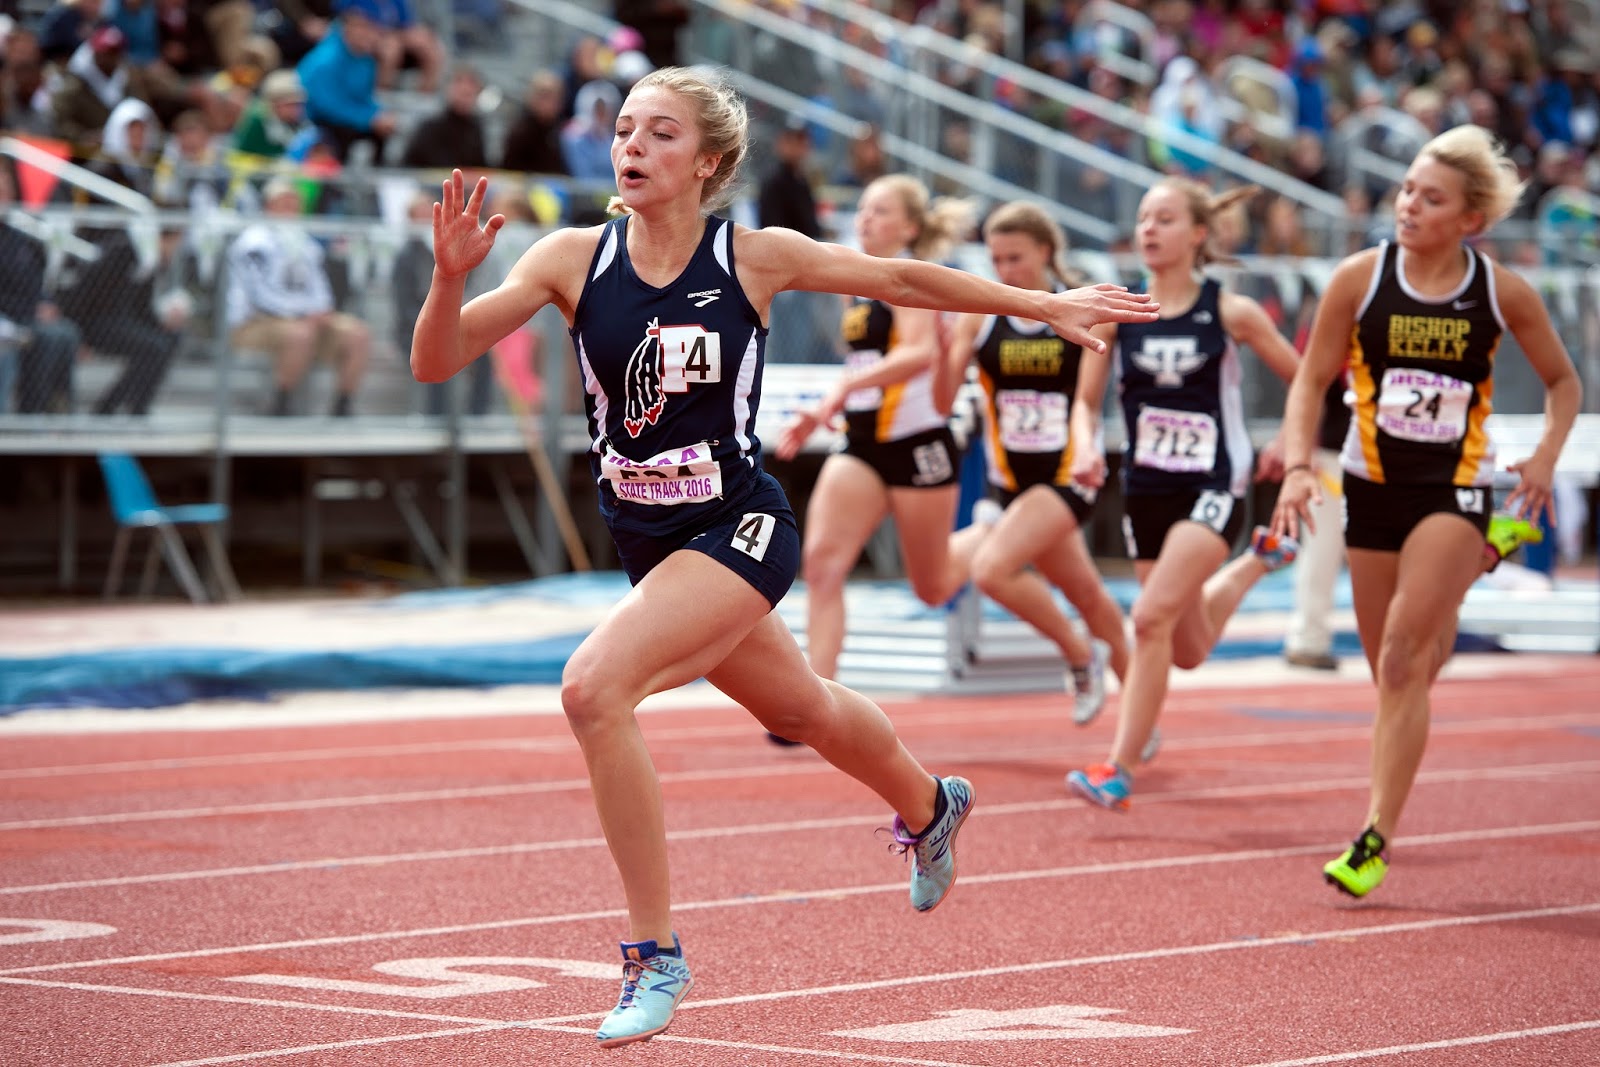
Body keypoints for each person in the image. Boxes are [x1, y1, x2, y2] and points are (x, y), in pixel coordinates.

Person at [410, 66, 1158, 1048]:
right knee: (799, 705)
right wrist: (450, 275)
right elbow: (435, 359)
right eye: (625, 128)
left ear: (707, 162)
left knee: (593, 689)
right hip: (647, 535)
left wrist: (1041, 302)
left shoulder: (752, 256)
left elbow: (899, 280)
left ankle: (653, 953)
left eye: (661, 133)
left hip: (741, 525)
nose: (632, 146)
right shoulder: (567, 258)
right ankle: (931, 804)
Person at [1271, 125, 1580, 899]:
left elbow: (1564, 383)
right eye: (1407, 188)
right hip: (1370, 486)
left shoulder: (1500, 292)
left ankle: (1374, 835)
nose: (1408, 204)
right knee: (1395, 673)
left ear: (1470, 219)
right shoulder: (1358, 278)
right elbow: (1309, 381)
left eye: (1430, 197)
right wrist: (1299, 467)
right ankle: (1479, 561)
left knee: (1407, 654)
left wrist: (1544, 456)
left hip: (1454, 488)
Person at [1064, 180, 1302, 813]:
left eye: (1164, 219)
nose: (1148, 229)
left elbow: (1308, 382)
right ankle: (1259, 560)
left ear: (1198, 234)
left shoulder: (1231, 311)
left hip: (1214, 485)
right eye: (1143, 217)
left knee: (1146, 620)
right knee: (1186, 647)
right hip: (1146, 490)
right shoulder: (1119, 314)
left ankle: (1117, 768)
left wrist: (1288, 439)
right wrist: (1085, 447)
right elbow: (1084, 406)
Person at [770, 174, 985, 708]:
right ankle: (816, 697)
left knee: (931, 588)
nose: (865, 219)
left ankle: (987, 533)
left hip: (918, 445)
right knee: (821, 563)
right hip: (862, 444)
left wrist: (841, 389)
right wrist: (834, 405)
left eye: (880, 211)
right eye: (862, 208)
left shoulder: (913, 279)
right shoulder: (854, 285)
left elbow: (917, 355)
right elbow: (868, 360)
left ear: (909, 227)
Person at [932, 201, 1128, 723]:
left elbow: (1088, 401)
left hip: (1067, 476)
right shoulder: (984, 320)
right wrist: (947, 347)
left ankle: (1082, 655)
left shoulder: (1083, 313)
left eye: (1016, 258)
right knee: (1084, 591)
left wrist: (1088, 447)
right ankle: (1143, 713)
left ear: (1045, 251)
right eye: (996, 260)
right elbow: (942, 400)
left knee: (993, 570)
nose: (1005, 272)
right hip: (1009, 485)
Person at [225, 175, 370, 416]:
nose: (291, 211)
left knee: (358, 334)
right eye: (285, 204)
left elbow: (320, 289)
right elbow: (259, 295)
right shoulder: (253, 243)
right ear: (268, 206)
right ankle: (281, 403)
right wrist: (303, 313)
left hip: (304, 320)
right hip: (256, 320)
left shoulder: (305, 243)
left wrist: (321, 310)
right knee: (300, 334)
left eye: (295, 205)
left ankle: (343, 405)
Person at [1283, 377, 1350, 671]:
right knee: (1321, 547)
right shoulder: (1331, 331)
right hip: (1333, 457)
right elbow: (1308, 379)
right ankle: (1309, 639)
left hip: (1388, 457)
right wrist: (1303, 453)